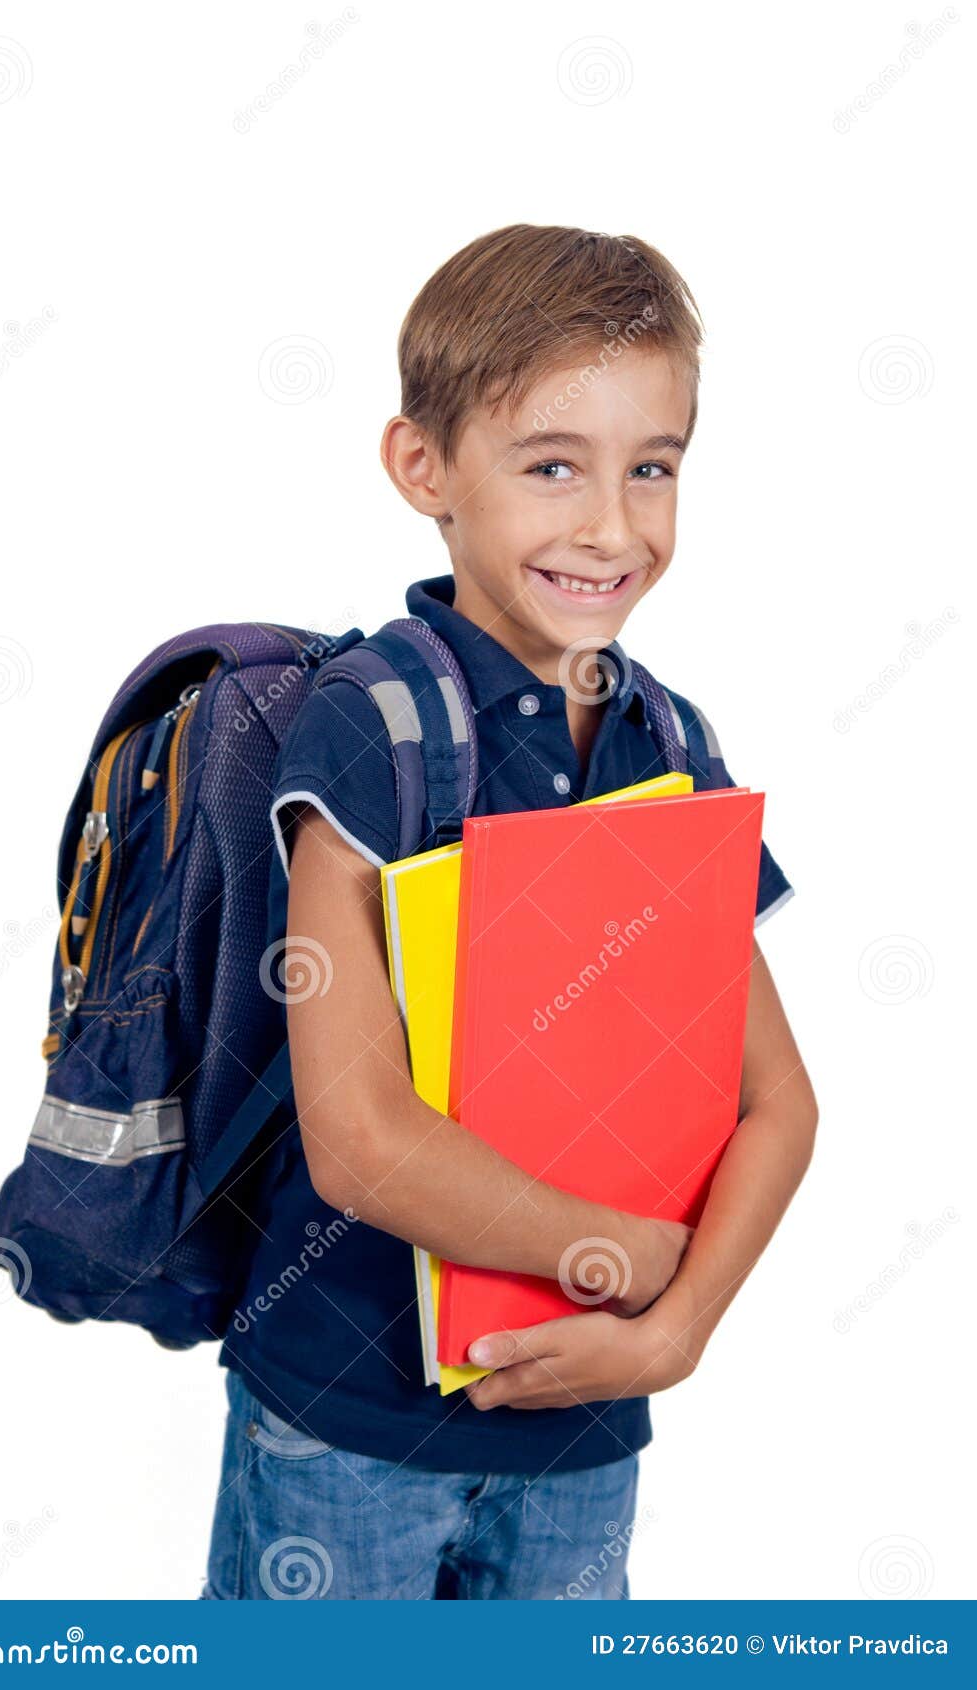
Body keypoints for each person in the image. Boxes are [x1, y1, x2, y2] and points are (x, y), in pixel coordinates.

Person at [200, 224, 818, 1601]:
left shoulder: (669, 742)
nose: (614, 525)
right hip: (346, 1427)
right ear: (424, 467)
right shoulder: (377, 722)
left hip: (585, 1426)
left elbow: (779, 1101)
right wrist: (628, 1260)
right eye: (553, 465)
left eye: (652, 467)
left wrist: (674, 1332)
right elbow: (359, 1143)